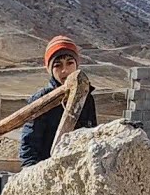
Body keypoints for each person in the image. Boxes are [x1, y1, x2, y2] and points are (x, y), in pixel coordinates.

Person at [18, 35, 98, 167]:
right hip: (49, 173)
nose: (65, 70)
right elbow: (29, 147)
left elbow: (92, 136)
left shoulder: (86, 98)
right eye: (58, 65)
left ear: (77, 65)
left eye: (70, 63)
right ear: (50, 69)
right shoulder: (41, 100)